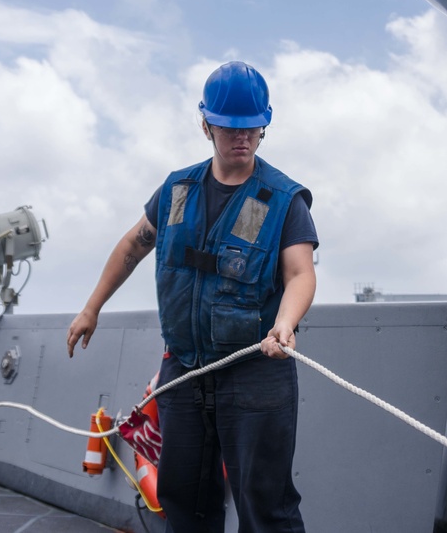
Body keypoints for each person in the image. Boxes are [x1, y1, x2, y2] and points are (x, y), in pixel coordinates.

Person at [67, 61, 317, 532]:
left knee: (266, 507)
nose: (241, 138)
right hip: (184, 371)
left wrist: (284, 323)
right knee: (185, 502)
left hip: (254, 373)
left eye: (251, 129)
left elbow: (300, 272)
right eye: (228, 128)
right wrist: (90, 308)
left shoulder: (284, 199)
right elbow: (132, 245)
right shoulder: (176, 191)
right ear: (206, 126)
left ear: (265, 125)